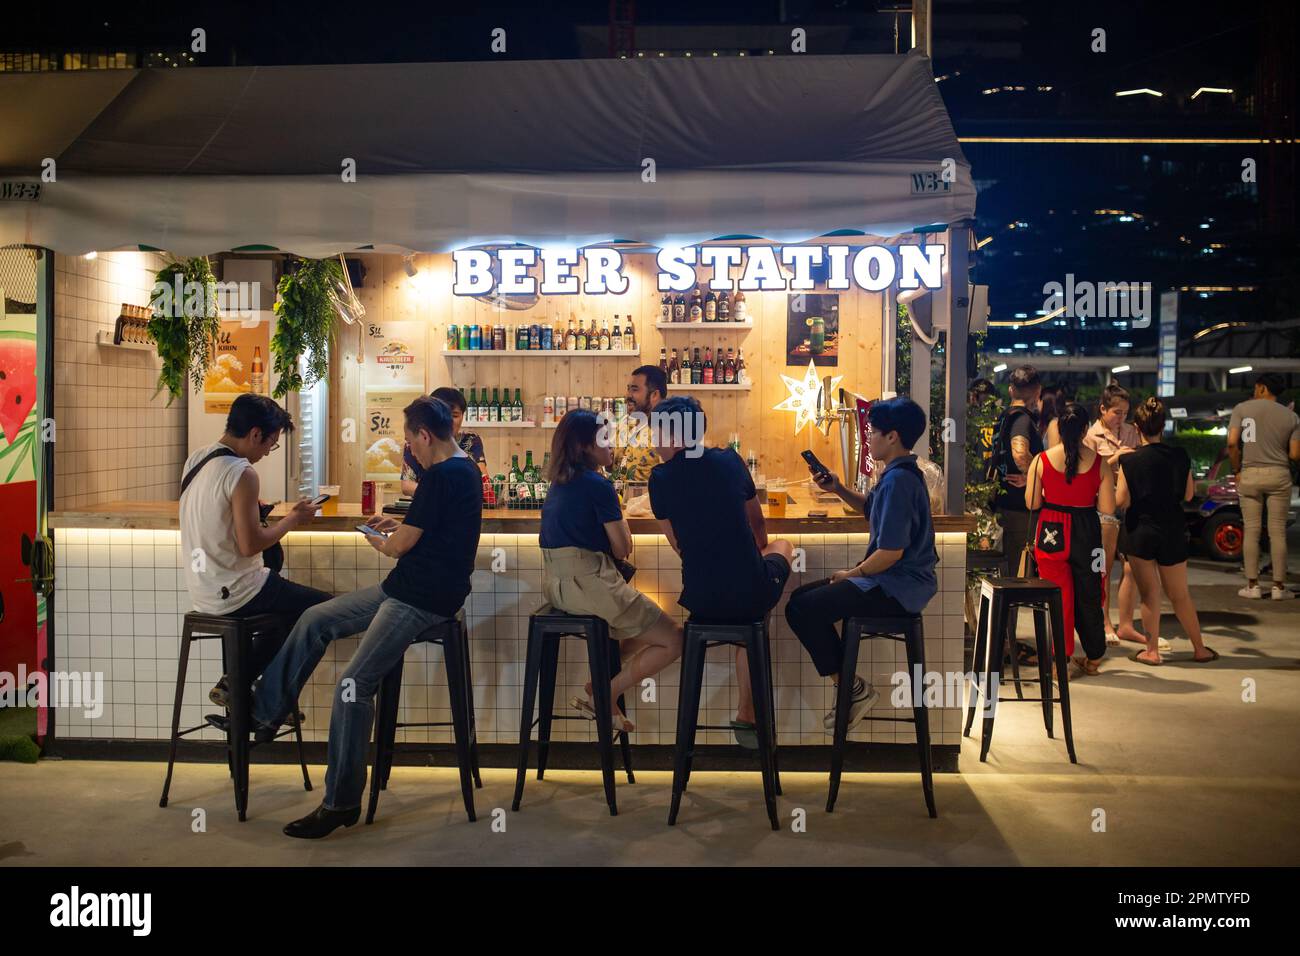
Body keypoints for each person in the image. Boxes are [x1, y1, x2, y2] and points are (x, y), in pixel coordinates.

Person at [252, 396, 482, 839]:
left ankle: (340, 802)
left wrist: (379, 540)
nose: (406, 448)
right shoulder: (464, 469)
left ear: (424, 436)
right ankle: (267, 713)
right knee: (316, 619)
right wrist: (397, 529)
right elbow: (428, 532)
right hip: (408, 588)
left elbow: (399, 549)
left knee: (352, 687)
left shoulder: (440, 476)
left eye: (409, 439)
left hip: (421, 598)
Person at [648, 395, 794, 749]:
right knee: (783, 548)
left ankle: (746, 702)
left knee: (750, 602)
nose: (653, 443)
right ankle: (747, 709)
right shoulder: (730, 461)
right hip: (749, 591)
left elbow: (678, 544)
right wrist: (752, 553)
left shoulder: (660, 478)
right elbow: (759, 526)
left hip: (700, 599)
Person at [785, 397, 938, 731]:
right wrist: (838, 488)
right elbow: (871, 507)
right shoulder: (899, 474)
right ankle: (851, 688)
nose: (868, 437)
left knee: (801, 609)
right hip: (891, 582)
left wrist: (850, 575)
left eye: (873, 431)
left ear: (892, 437)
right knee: (799, 603)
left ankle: (851, 689)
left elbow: (891, 553)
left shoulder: (899, 481)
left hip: (897, 589)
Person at [179, 394, 331, 710]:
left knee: (291, 613)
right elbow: (251, 545)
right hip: (238, 589)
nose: (266, 453)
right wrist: (293, 519)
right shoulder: (242, 472)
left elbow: (217, 518)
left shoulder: (197, 459)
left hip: (203, 592)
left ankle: (242, 686)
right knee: (324, 612)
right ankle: (265, 697)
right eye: (270, 444)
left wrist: (251, 510)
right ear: (255, 434)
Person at [539, 409, 683, 732]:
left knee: (639, 627)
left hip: (557, 587)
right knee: (675, 639)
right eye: (606, 437)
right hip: (590, 585)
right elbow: (622, 548)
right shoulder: (597, 484)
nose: (612, 445)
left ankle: (601, 682)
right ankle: (607, 693)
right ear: (586, 445)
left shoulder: (558, 483)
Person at [1117, 397, 1218, 665]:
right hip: (1172, 528)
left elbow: (1121, 501)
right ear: (1163, 426)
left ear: (1137, 427)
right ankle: (1200, 649)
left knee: (1150, 594)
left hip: (1140, 531)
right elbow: (1187, 494)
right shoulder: (1180, 455)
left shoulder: (1130, 460)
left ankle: (1152, 652)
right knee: (1180, 594)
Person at [1024, 402, 1114, 675]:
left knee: (1058, 597)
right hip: (1087, 531)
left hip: (1051, 530)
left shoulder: (1040, 460)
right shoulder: (1100, 464)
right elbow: (1107, 509)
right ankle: (1095, 657)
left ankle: (1058, 660)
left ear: (1059, 429)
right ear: (1086, 429)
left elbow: (1031, 503)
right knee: (1090, 593)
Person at [1228, 373, 1300, 600]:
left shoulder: (1242, 409)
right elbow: (1295, 454)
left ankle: (1253, 585)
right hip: (1279, 475)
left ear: (1261, 387)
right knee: (1277, 531)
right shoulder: (1291, 416)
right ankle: (1279, 587)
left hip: (1250, 474)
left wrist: (1237, 470)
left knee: (1251, 529)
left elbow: (1232, 442)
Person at [1085, 383, 1144, 647]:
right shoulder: (1091, 436)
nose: (1121, 418)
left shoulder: (1132, 433)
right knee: (1103, 570)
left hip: (1130, 505)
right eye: (1116, 412)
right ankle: (1105, 620)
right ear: (1103, 409)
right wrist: (1116, 458)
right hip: (1103, 507)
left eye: (1125, 413)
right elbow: (1089, 471)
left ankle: (1127, 623)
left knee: (1131, 567)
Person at [991, 365, 1043, 577]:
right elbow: (1020, 453)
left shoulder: (1005, 417)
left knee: (1009, 572)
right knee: (1017, 574)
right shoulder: (1022, 419)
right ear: (1038, 391)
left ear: (1011, 390)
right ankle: (1009, 610)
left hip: (1005, 502)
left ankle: (1006, 610)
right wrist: (1035, 476)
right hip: (1021, 508)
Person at [401, 386, 486, 495]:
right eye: (442, 416)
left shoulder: (471, 440)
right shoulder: (415, 443)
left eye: (454, 415)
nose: (448, 421)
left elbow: (483, 481)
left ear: (462, 416)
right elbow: (406, 485)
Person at [616, 364, 667, 482]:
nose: (628, 395)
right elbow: (613, 468)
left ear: (654, 395)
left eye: (634, 389)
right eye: (628, 389)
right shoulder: (624, 424)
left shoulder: (669, 431)